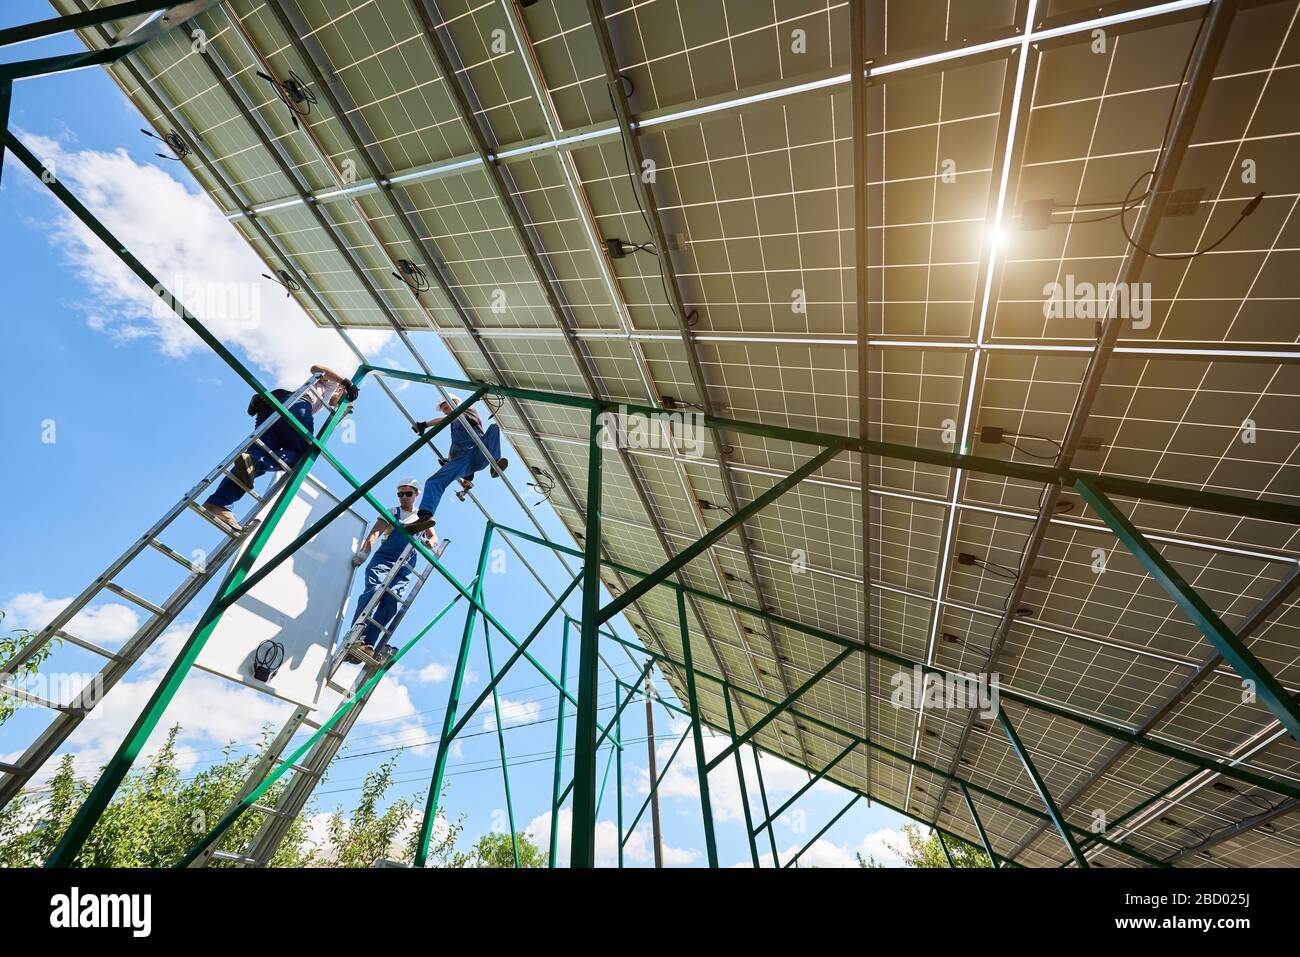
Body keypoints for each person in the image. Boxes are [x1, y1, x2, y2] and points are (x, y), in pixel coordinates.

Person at [202, 364, 356, 532]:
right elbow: (316, 368)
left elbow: (334, 409)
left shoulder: (324, 397)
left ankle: (219, 503)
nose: (338, 403)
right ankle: (256, 462)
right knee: (303, 456)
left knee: (249, 462)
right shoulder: (333, 383)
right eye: (343, 400)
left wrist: (343, 410)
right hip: (296, 405)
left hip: (272, 409)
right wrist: (346, 382)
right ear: (341, 390)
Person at [345, 478, 446, 663]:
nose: (404, 497)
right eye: (400, 494)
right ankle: (356, 635)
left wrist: (429, 544)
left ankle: (368, 643)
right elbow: (375, 533)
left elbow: (433, 538)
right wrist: (364, 552)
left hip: (405, 566)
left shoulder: (423, 517)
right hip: (384, 559)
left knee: (391, 600)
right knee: (374, 591)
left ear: (417, 494)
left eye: (408, 493)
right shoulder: (393, 512)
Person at [406, 396, 507, 533]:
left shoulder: (468, 410)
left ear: (456, 402)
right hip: (463, 461)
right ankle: (425, 516)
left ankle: (495, 464)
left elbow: (452, 417)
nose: (445, 411)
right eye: (443, 410)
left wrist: (425, 424)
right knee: (434, 481)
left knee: (495, 427)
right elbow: (455, 443)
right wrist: (449, 460)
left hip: (480, 452)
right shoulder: (453, 426)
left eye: (446, 407)